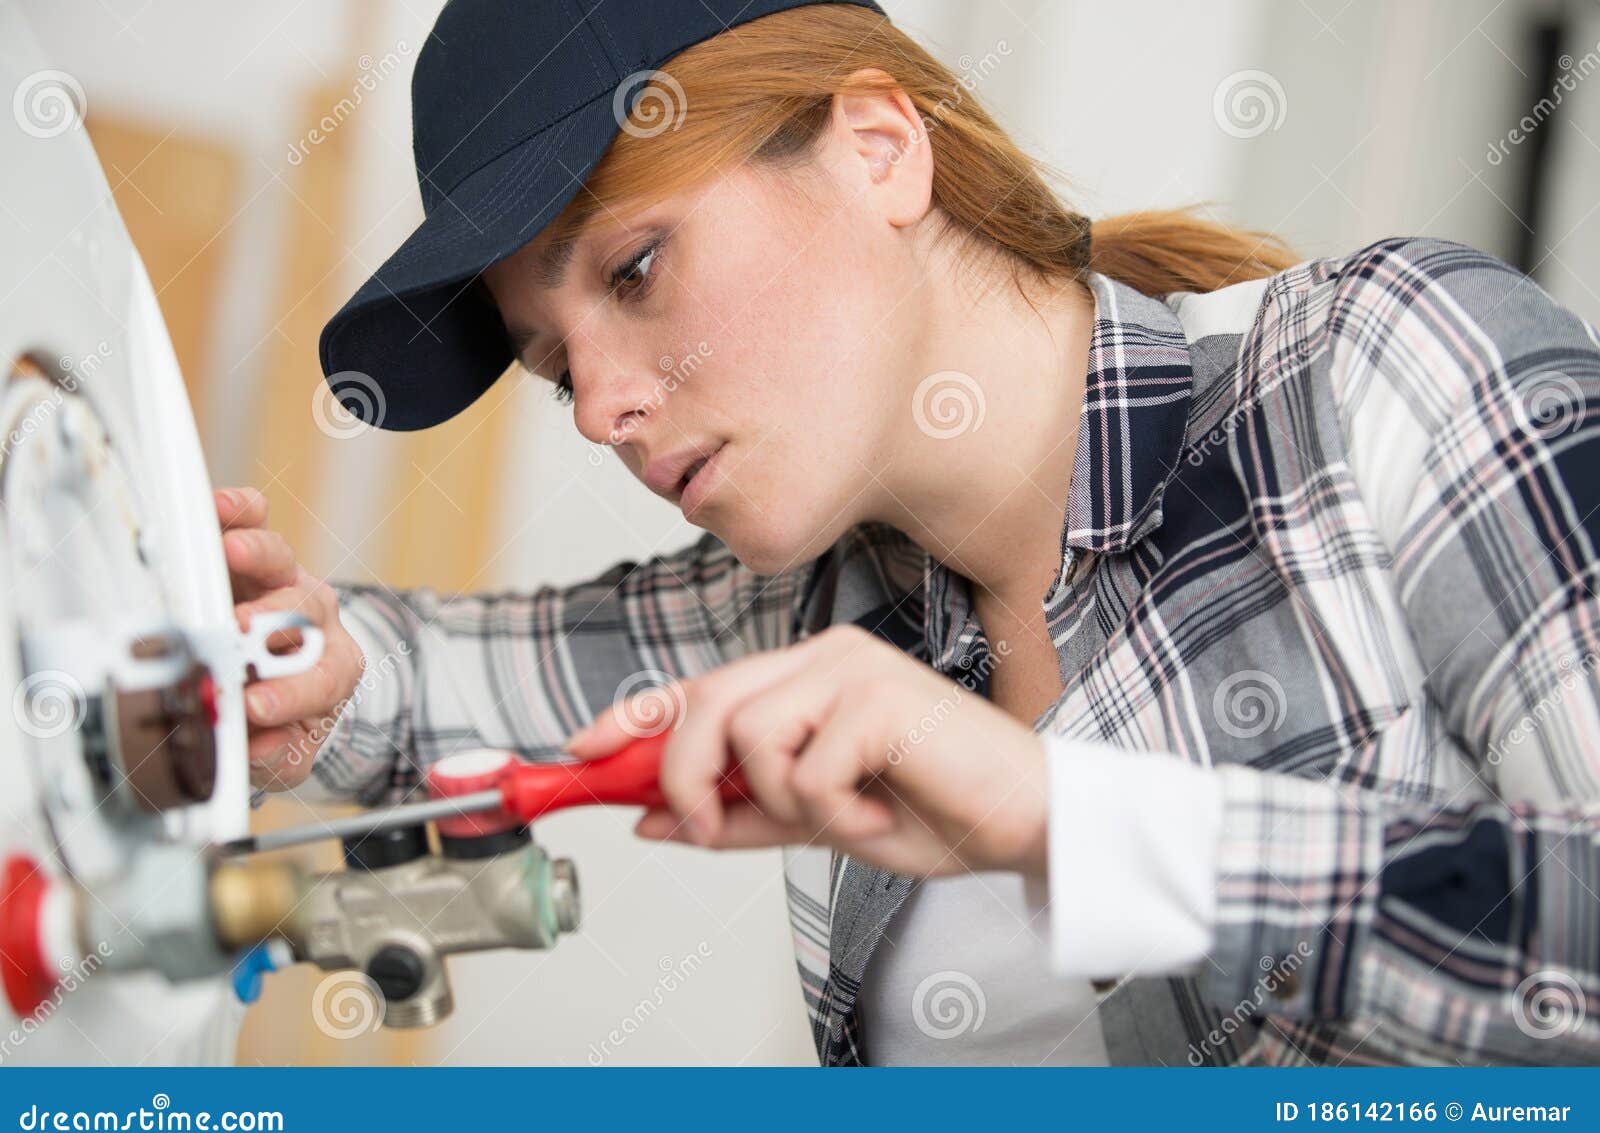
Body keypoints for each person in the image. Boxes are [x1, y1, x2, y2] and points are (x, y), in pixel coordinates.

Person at [219, 0, 1600, 1065]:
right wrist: (299, 679)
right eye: (552, 361)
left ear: (879, 150)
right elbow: (419, 680)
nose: (599, 407)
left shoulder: (1382, 371)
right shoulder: (820, 605)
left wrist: (1064, 819)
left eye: (636, 269)